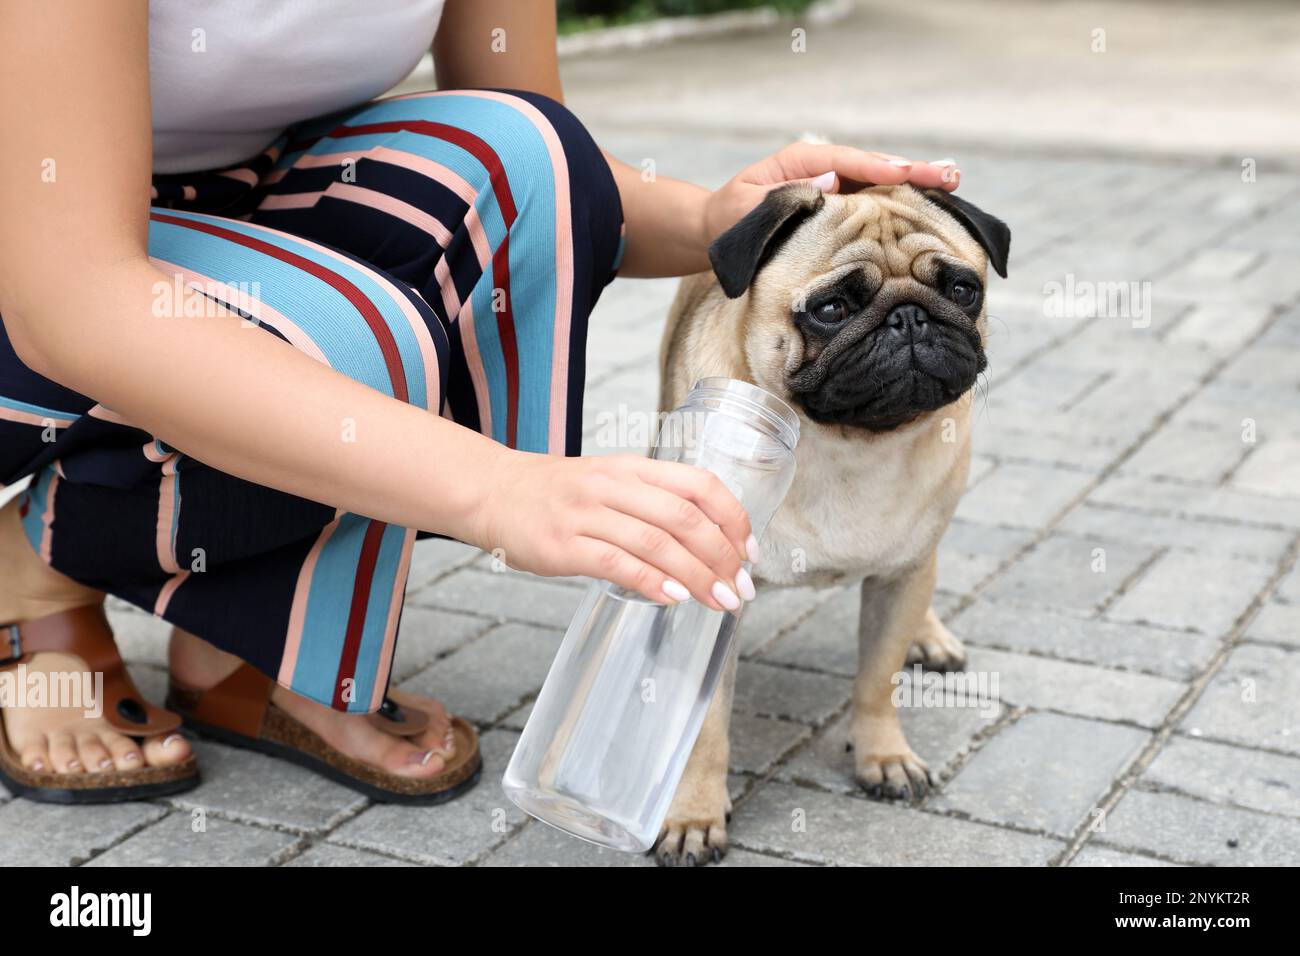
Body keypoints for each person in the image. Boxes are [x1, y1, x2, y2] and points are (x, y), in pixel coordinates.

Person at [0, 0, 959, 804]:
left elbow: (564, 184)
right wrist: (499, 489)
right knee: (358, 335)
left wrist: (722, 220)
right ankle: (35, 572)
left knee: (528, 153)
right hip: (38, 243)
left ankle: (251, 629)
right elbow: (71, 301)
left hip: (237, 202)